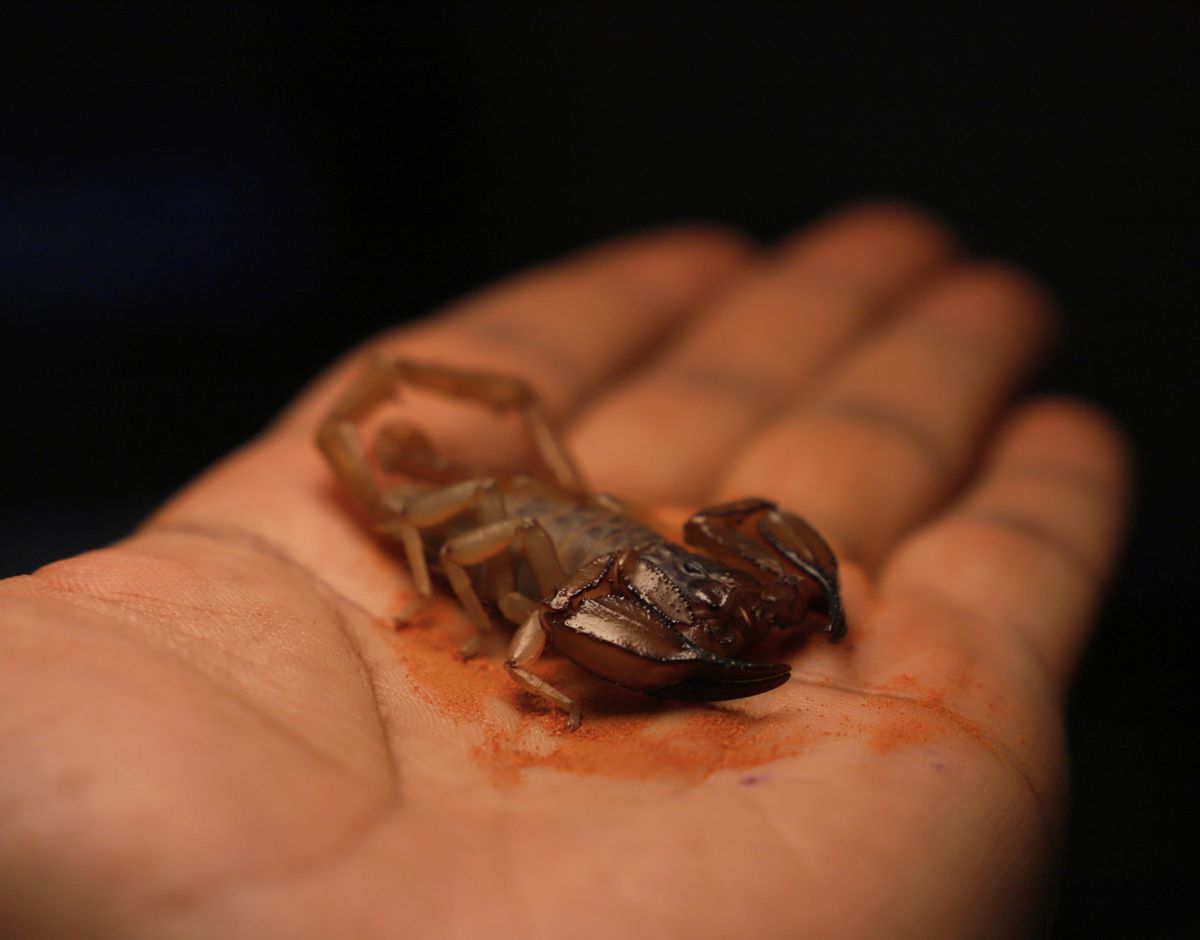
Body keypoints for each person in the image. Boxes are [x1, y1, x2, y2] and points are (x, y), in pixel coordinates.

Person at [0, 203, 1129, 937]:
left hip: (574, 512)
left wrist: (810, 594)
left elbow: (731, 518)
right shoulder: (520, 557)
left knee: (620, 541)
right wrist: (447, 589)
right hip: (475, 518)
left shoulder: (688, 554)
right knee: (558, 575)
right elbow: (542, 619)